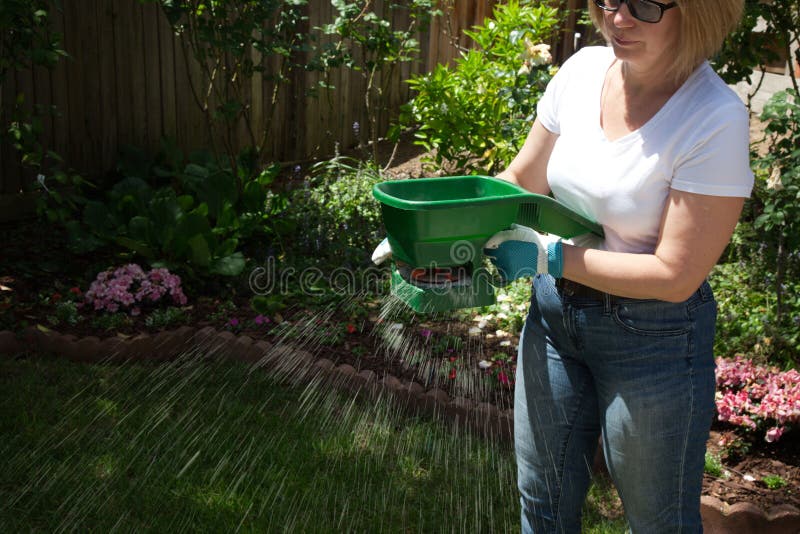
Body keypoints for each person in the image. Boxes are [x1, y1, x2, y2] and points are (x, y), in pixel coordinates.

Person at [483, 0, 753, 532]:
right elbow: (522, 181)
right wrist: (442, 229)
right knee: (542, 505)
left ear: (698, 12)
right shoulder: (583, 70)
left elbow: (676, 275)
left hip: (653, 338)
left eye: (645, 4)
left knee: (658, 523)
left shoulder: (713, 117)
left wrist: (550, 256)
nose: (618, 18)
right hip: (554, 317)